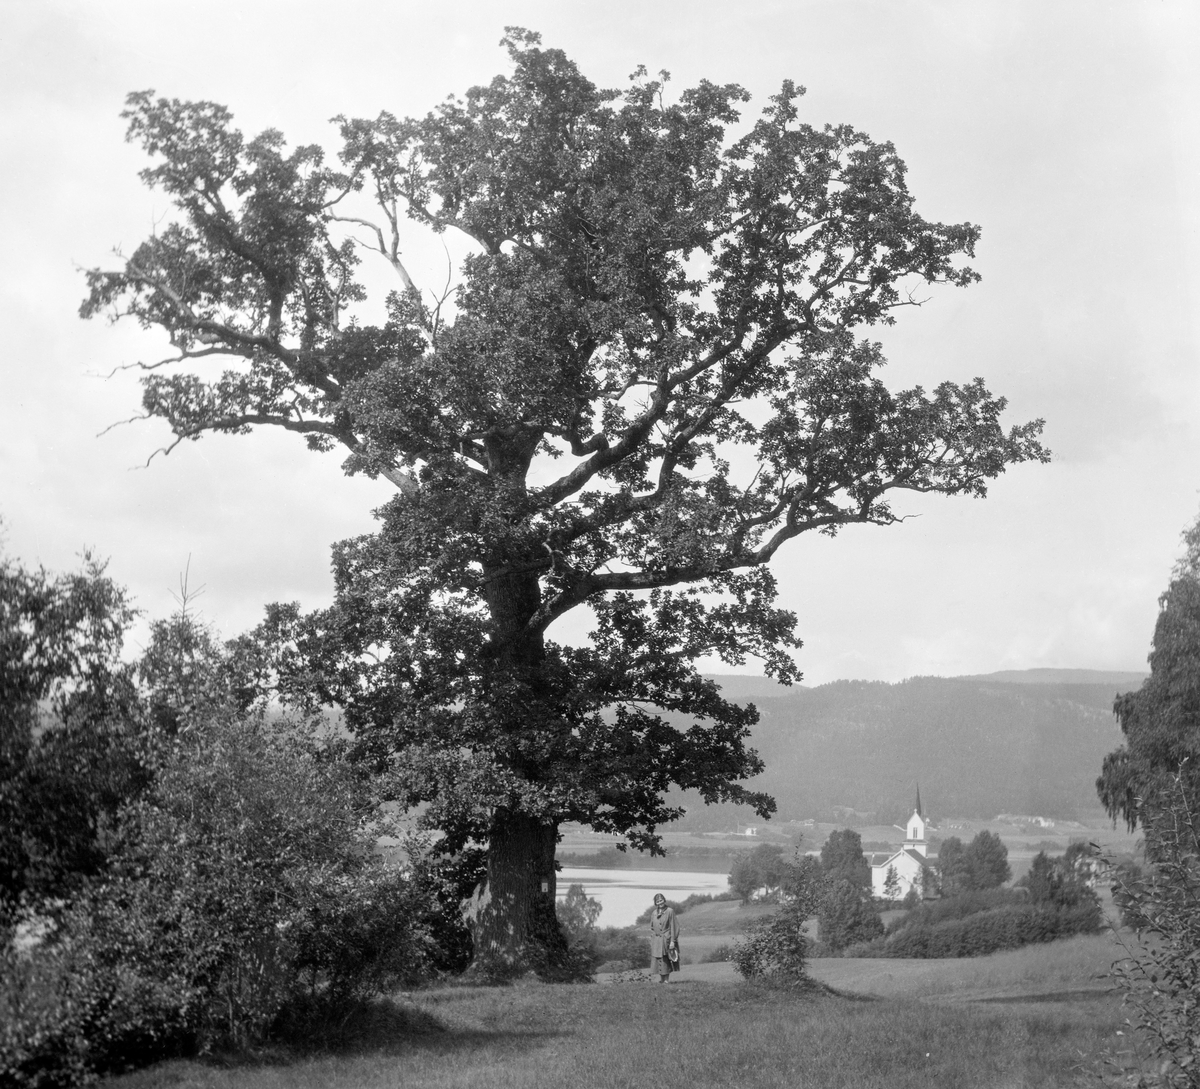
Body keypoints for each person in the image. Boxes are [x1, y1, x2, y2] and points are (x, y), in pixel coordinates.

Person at [648, 893, 680, 983]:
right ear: (655, 903)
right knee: (658, 960)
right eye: (657, 901)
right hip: (656, 940)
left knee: (665, 959)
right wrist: (653, 937)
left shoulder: (670, 911)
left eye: (661, 900)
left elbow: (675, 926)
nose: (660, 903)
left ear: (664, 900)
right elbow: (652, 927)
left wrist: (673, 941)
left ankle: (666, 980)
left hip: (667, 939)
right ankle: (661, 979)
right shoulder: (654, 913)